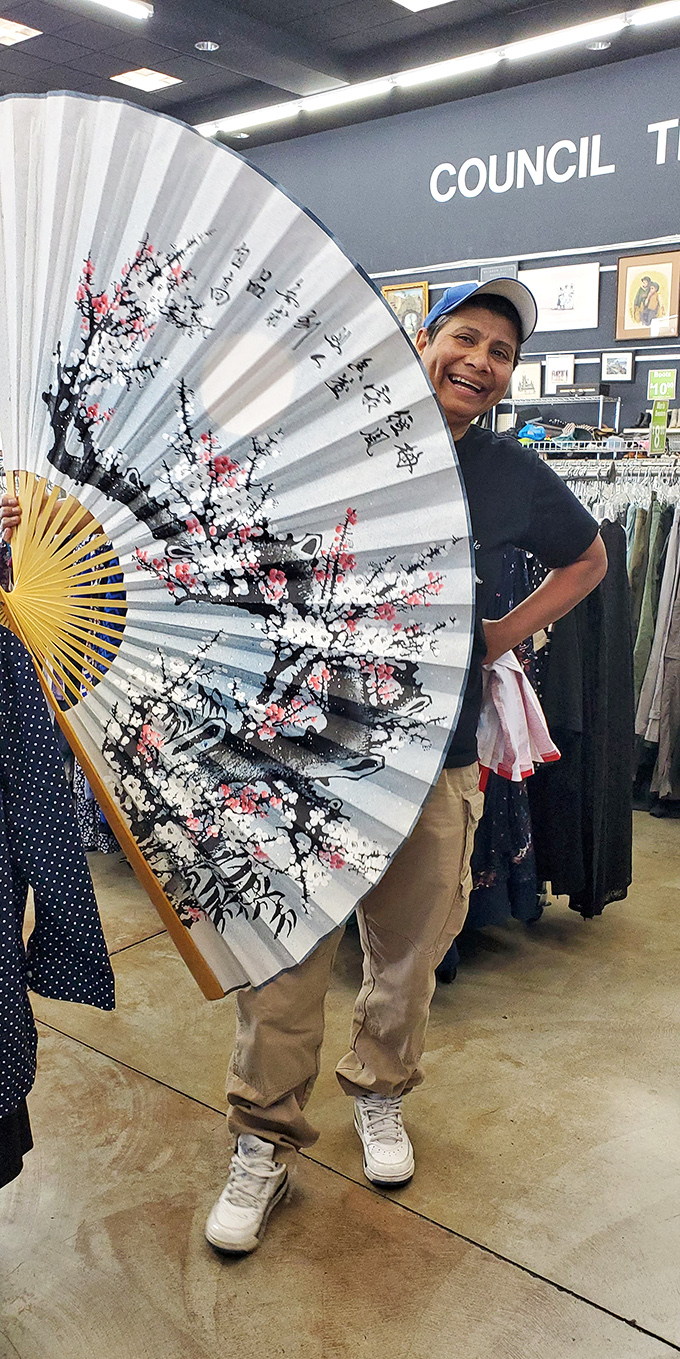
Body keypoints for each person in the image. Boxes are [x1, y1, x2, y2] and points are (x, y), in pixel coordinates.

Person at [0, 279, 607, 1256]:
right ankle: (262, 1135)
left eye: (499, 350)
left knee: (406, 962)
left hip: (438, 752)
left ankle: (378, 1094)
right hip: (304, 749)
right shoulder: (332, 443)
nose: (479, 361)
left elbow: (586, 561)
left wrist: (498, 636)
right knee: (284, 963)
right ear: (422, 340)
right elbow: (211, 536)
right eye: (465, 336)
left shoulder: (509, 474)